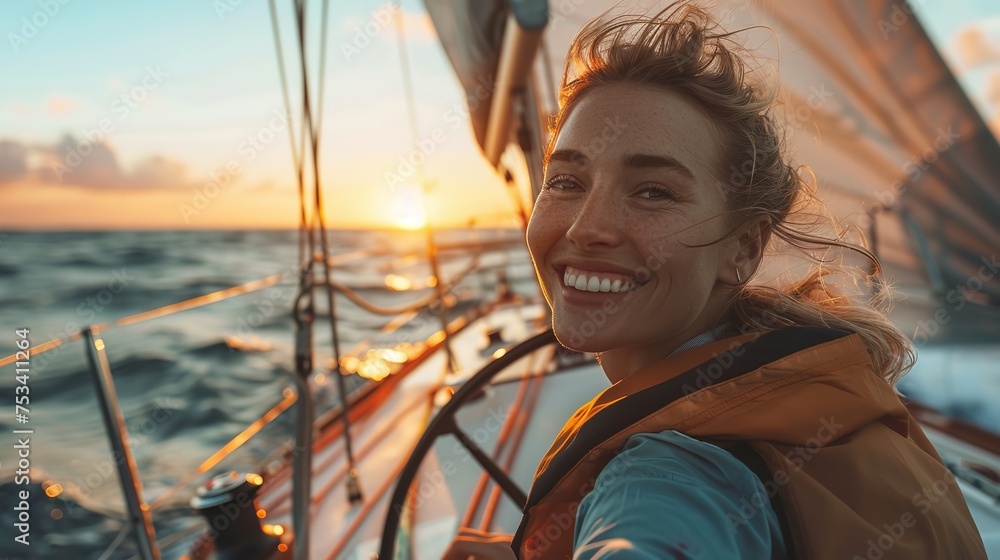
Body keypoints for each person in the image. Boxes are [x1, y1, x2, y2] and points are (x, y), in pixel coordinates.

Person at [506, 3, 988, 559]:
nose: (586, 227)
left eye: (653, 192)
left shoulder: (661, 479)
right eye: (565, 181)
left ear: (745, 247)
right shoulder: (838, 394)